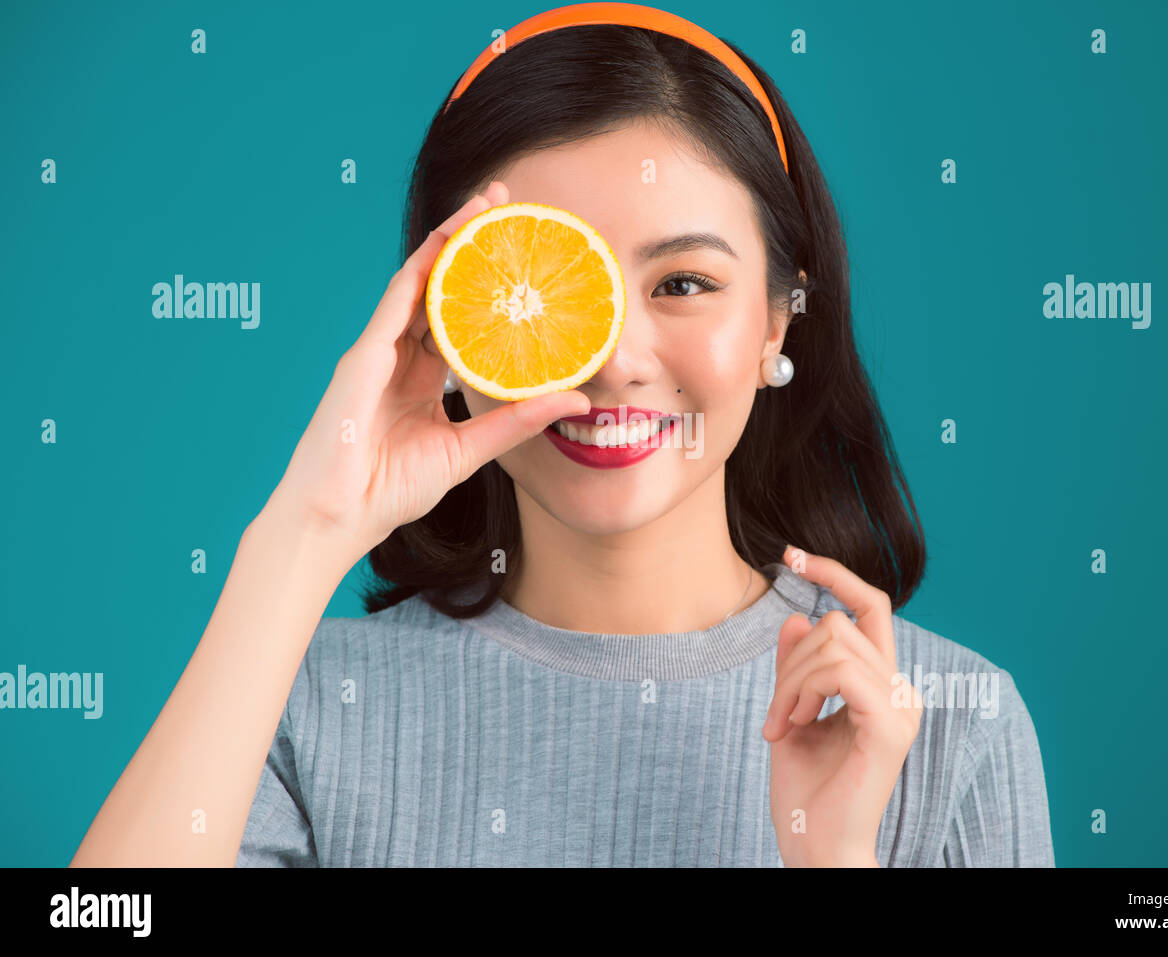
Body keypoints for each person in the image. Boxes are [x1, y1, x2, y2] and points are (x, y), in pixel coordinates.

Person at [70, 3, 1053, 867]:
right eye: (537, 292)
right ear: (448, 318)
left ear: (774, 323)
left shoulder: (946, 724)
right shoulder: (298, 705)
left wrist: (835, 861)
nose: (614, 359)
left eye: (682, 284)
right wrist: (306, 530)